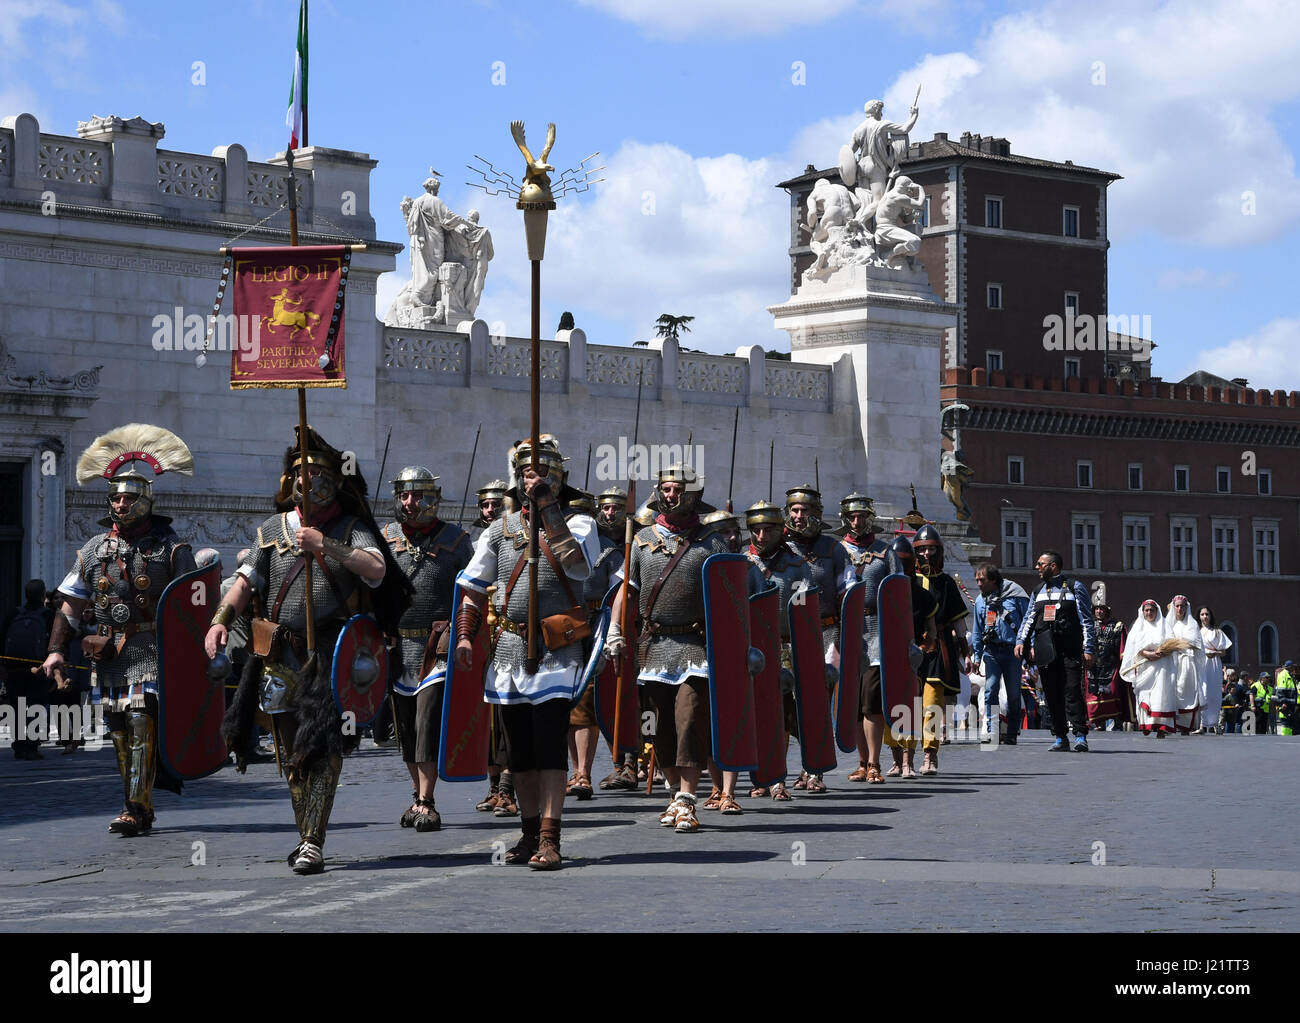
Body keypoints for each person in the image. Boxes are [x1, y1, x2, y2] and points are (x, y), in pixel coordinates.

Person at [211, 427, 411, 874]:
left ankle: (311, 841)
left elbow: (377, 569)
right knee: (289, 746)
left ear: (335, 480)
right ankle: (307, 831)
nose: (310, 480)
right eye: (302, 471)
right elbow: (245, 583)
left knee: (321, 745)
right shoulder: (272, 530)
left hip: (332, 655)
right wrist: (220, 622)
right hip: (281, 654)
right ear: (290, 480)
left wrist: (325, 545)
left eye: (320, 471)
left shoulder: (350, 527)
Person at [41, 424, 197, 833]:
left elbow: (194, 606)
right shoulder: (93, 549)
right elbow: (71, 603)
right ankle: (135, 801)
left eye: (129, 498)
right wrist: (56, 649)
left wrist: (196, 656)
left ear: (146, 501)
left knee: (143, 720)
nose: (121, 504)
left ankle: (136, 808)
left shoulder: (173, 549)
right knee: (119, 730)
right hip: (108, 652)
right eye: (116, 497)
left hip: (152, 649)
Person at [454, 436, 600, 869]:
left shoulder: (579, 523)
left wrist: (548, 508)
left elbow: (578, 566)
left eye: (543, 472)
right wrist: (465, 634)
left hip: (557, 651)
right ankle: (528, 832)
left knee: (549, 745)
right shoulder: (498, 530)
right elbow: (472, 588)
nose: (532, 479)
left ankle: (551, 838)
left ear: (559, 478)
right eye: (527, 473)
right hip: (509, 651)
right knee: (519, 750)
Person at [607, 464, 732, 833]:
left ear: (692, 494)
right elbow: (626, 592)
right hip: (653, 648)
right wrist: (615, 630)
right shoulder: (642, 540)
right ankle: (675, 792)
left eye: (678, 488)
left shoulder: (712, 543)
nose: (671, 494)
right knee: (659, 732)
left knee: (689, 721)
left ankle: (688, 800)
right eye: (665, 487)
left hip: (695, 647)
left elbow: (730, 600)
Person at [383, 466, 472, 832]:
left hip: (438, 647)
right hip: (398, 646)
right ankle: (416, 793)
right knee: (404, 726)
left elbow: (472, 591)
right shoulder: (386, 539)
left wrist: (461, 630)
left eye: (417, 495)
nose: (410, 502)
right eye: (405, 495)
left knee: (426, 720)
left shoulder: (455, 540)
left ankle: (427, 799)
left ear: (432, 498)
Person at [782, 484, 854, 792]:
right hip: (787, 637)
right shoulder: (780, 548)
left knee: (818, 702)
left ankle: (815, 769)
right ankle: (784, 769)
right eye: (794, 511)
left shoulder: (832, 549)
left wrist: (847, 638)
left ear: (817, 514)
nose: (798, 517)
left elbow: (849, 591)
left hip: (826, 632)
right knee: (786, 704)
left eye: (805, 511)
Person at [745, 499, 813, 801]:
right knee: (753, 715)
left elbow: (804, 611)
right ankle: (758, 775)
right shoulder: (740, 563)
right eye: (756, 530)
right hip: (749, 650)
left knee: (782, 715)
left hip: (784, 648)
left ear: (779, 530)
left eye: (767, 530)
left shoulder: (796, 566)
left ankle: (776, 777)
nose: (761, 536)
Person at [836, 492, 894, 783]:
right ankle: (861, 761)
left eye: (861, 516)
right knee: (853, 703)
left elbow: (899, 595)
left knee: (871, 698)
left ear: (870, 518)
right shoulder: (836, 552)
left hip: (876, 632)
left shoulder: (886, 552)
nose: (856, 521)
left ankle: (874, 762)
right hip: (847, 632)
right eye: (852, 517)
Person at [1015, 550, 1095, 751]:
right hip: (1045, 649)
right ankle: (1060, 736)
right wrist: (1021, 641)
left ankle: (1080, 734)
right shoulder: (1038, 590)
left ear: (1053, 566)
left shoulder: (1075, 588)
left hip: (1070, 648)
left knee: (1072, 691)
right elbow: (1029, 619)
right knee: (1051, 693)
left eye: (1041, 564)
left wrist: (1089, 648)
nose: (1037, 567)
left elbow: (1087, 620)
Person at [468, 479, 516, 815]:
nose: (489, 511)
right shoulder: (471, 543)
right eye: (485, 505)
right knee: (485, 718)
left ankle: (509, 789)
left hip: (510, 635)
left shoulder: (513, 540)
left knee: (508, 716)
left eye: (496, 505)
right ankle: (493, 786)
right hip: (482, 638)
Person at [912, 523, 969, 773]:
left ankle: (929, 755)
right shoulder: (908, 581)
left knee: (933, 701)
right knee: (910, 702)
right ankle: (902, 758)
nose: (926, 554)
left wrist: (966, 649)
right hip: (912, 644)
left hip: (939, 644)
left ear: (939, 552)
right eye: (922, 549)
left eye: (931, 550)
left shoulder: (946, 582)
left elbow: (959, 620)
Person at [593, 485, 639, 792]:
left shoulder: (635, 544)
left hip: (634, 629)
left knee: (633, 697)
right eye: (606, 508)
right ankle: (618, 762)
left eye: (616, 509)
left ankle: (634, 762)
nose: (611, 513)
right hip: (598, 628)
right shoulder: (589, 542)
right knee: (609, 696)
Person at [881, 536, 938, 777]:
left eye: (905, 562)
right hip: (885, 658)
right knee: (889, 709)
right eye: (897, 562)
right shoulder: (882, 592)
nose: (901, 567)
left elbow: (932, 631)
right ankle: (895, 761)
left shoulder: (922, 595)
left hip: (912, 659)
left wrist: (922, 650)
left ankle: (909, 762)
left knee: (911, 709)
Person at [969, 563, 1029, 745]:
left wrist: (1028, 647)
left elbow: (1027, 622)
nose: (978, 584)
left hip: (1012, 652)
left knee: (1012, 693)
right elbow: (978, 630)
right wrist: (977, 657)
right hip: (992, 652)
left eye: (982, 580)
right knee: (990, 690)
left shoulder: (1016, 595)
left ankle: (1011, 731)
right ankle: (992, 730)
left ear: (993, 580)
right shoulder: (980, 601)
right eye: (977, 580)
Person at [3, 579, 54, 759]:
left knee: (17, 707)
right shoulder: (48, 615)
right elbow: (54, 643)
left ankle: (18, 744)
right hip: (38, 667)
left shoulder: (14, 613)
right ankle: (31, 747)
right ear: (43, 594)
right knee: (36, 706)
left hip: (14, 667)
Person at [1119, 600, 1176, 736]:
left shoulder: (1165, 626)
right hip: (1144, 667)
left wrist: (1161, 652)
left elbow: (1172, 644)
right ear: (1143, 612)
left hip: (1161, 666)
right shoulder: (1138, 628)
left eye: (1152, 610)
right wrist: (1147, 654)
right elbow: (1132, 649)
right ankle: (1146, 724)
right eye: (1147, 610)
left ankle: (1161, 726)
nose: (1149, 613)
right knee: (1145, 695)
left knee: (1160, 695)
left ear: (1157, 611)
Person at [1085, 601, 1129, 732]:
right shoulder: (1089, 626)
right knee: (1094, 694)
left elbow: (1122, 647)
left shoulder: (1117, 626)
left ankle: (1117, 721)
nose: (1099, 611)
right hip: (1093, 667)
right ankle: (1098, 722)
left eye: (1101, 609)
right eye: (1097, 609)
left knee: (1112, 692)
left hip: (1111, 666)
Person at [1166, 595, 1205, 734]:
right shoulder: (1168, 623)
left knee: (1185, 691)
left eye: (1182, 606)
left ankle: (1185, 725)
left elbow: (1195, 644)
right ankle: (1169, 723)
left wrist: (1177, 643)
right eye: (1177, 606)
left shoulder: (1192, 624)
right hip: (1171, 662)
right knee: (1170, 692)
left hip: (1187, 662)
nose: (1180, 608)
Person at [1197, 606, 1231, 735]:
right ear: (1199, 616)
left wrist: (1214, 653)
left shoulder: (1217, 632)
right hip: (1201, 663)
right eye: (1202, 614)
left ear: (1210, 616)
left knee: (1214, 693)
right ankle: (1201, 725)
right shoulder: (1196, 632)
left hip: (1214, 663)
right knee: (1203, 692)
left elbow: (1224, 652)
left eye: (1207, 614)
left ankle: (1215, 723)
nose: (1205, 617)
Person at [1274, 662, 1297, 736]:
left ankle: (1288, 737)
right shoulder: (1283, 675)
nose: (1294, 668)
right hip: (1286, 704)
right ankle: (1285, 738)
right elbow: (1281, 690)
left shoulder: (1289, 675)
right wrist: (1283, 703)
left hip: (1290, 704)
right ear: (1289, 667)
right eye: (1293, 666)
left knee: (1289, 724)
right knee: (1285, 723)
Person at [1221, 669, 1243, 733]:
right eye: (1232, 675)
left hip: (1233, 710)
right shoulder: (1226, 685)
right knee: (1226, 723)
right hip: (1226, 709)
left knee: (1232, 723)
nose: (1234, 676)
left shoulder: (1233, 685)